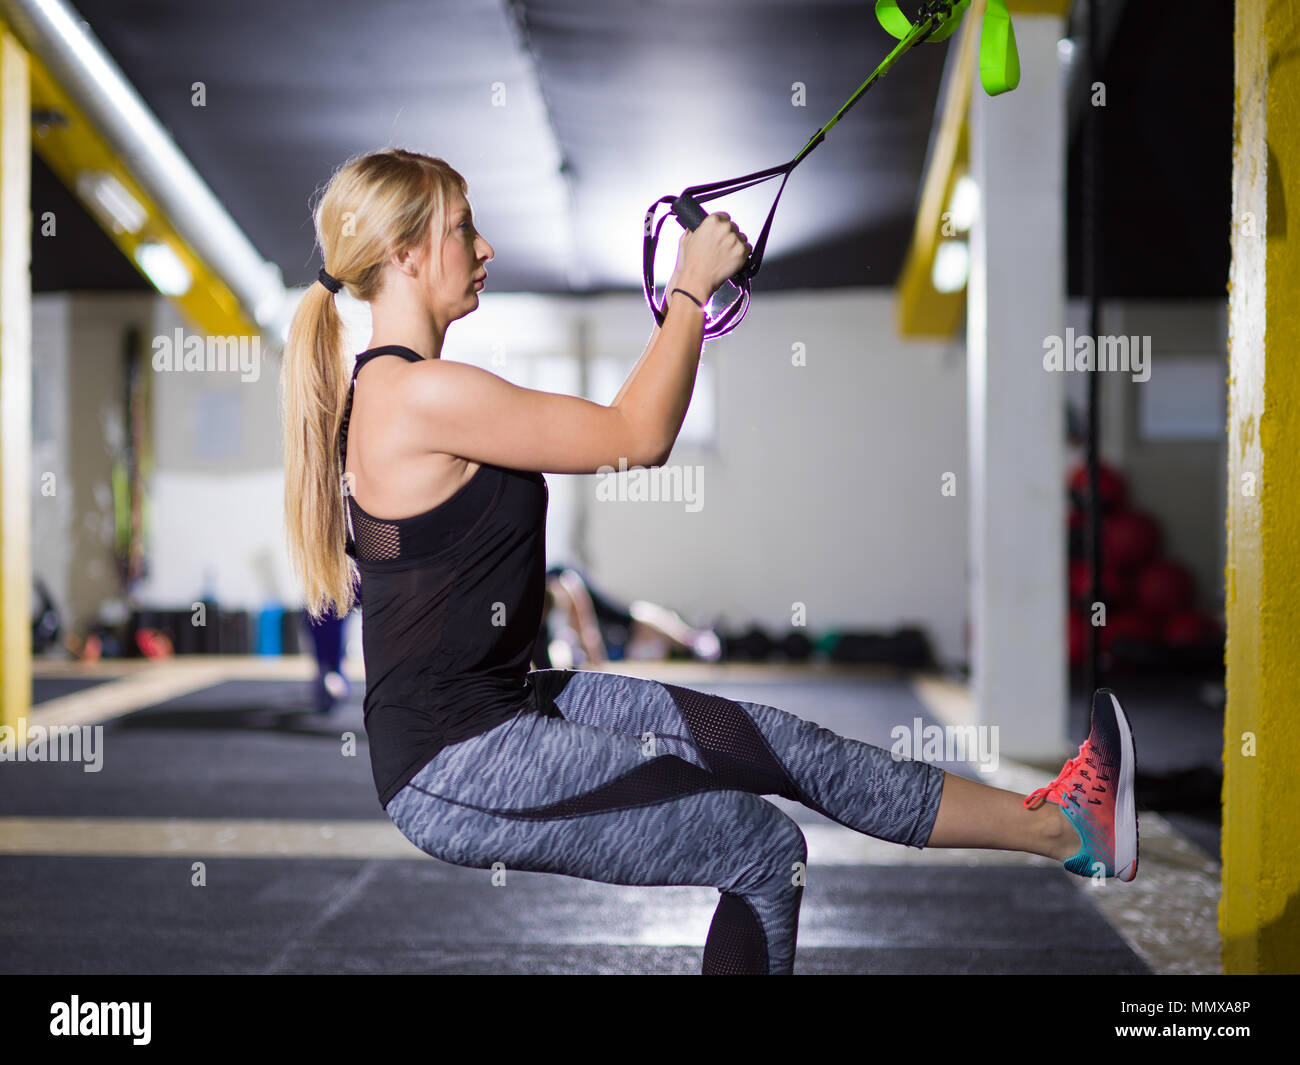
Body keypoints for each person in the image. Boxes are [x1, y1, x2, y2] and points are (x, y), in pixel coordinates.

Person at [279, 147, 1139, 975]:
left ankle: (1067, 824)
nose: (485, 246)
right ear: (404, 254)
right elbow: (636, 436)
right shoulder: (418, 395)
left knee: (784, 747)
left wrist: (690, 299)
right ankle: (1067, 828)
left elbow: (624, 420)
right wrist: (690, 286)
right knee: (763, 848)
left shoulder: (412, 391)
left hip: (511, 705)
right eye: (465, 227)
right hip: (456, 760)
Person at [533, 564, 722, 668]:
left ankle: (692, 638)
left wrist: (599, 670)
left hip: (573, 585)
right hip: (547, 608)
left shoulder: (567, 585)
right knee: (549, 659)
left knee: (629, 616)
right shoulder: (531, 612)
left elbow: (587, 630)